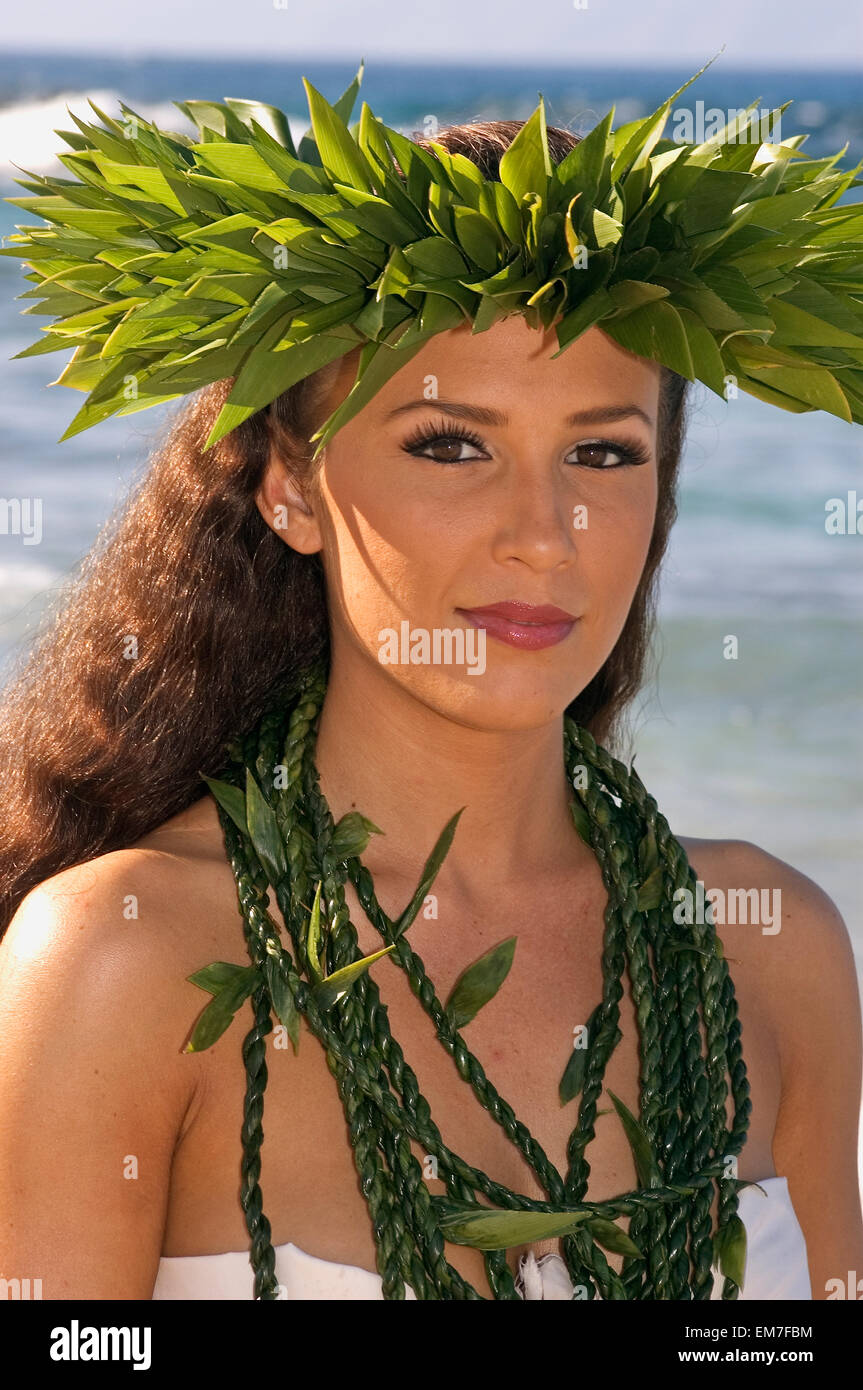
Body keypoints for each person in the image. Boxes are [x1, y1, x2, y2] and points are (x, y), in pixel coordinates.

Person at [0, 100, 860, 1303]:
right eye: (451, 444)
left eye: (601, 453)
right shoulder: (117, 957)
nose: (541, 537)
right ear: (291, 484)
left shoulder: (768, 948)